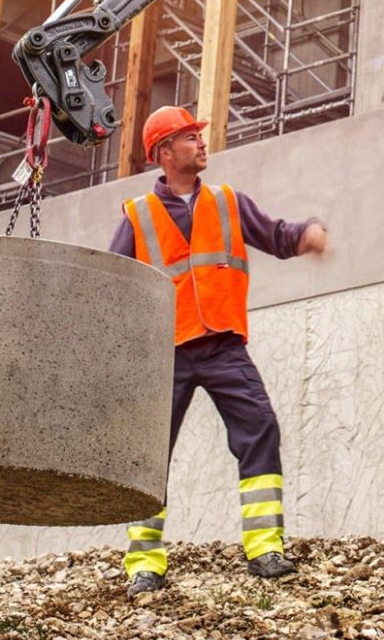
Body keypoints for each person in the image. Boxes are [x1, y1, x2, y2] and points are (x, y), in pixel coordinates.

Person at [111, 105, 327, 595]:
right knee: (148, 455)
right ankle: (144, 563)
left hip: (224, 345)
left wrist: (306, 234)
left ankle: (265, 547)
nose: (202, 143)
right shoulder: (137, 216)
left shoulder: (228, 201)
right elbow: (115, 285)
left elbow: (274, 235)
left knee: (260, 427)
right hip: (165, 353)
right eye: (190, 137)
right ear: (165, 153)